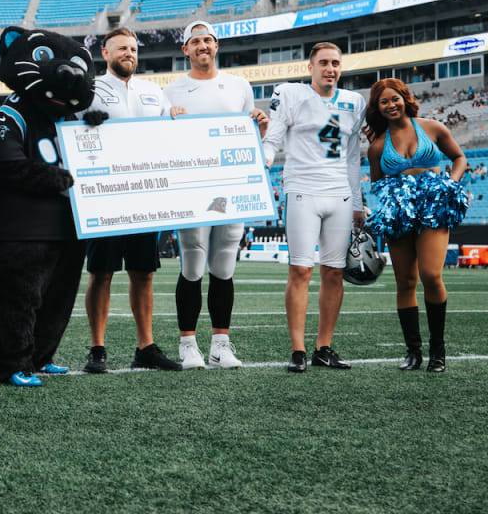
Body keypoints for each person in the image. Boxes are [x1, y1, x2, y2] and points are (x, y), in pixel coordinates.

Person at [163, 20, 269, 370]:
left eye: (208, 39)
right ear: (186, 49)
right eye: (195, 41)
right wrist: (167, 122)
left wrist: (260, 126)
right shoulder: (172, 91)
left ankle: (220, 344)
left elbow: (248, 136)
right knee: (192, 261)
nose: (202, 45)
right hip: (192, 183)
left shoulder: (238, 85)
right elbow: (161, 143)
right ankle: (187, 344)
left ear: (216, 45)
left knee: (224, 262)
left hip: (230, 183)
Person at [81, 27, 184, 374]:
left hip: (144, 197)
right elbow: (71, 133)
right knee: (101, 272)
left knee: (144, 273)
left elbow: (172, 137)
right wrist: (84, 125)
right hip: (106, 197)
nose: (129, 53)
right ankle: (97, 348)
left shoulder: (154, 92)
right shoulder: (89, 89)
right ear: (106, 54)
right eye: (122, 48)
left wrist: (177, 119)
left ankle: (146, 346)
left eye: (133, 48)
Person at [262, 42, 365, 373]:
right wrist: (263, 158)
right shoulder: (292, 94)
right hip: (302, 190)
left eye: (335, 63)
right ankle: (297, 350)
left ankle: (324, 347)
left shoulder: (354, 102)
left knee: (334, 272)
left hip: (339, 195)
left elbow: (352, 156)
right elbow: (274, 135)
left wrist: (357, 201)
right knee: (301, 270)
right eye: (323, 62)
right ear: (311, 67)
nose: (330, 68)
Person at [364, 79, 467, 373]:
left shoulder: (432, 128)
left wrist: (449, 183)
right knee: (405, 282)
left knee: (431, 275)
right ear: (378, 108)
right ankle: (413, 352)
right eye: (384, 102)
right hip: (399, 211)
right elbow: (376, 183)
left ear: (404, 98)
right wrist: (394, 197)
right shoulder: (377, 146)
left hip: (433, 205)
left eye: (394, 98)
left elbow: (459, 158)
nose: (391, 105)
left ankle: (438, 350)